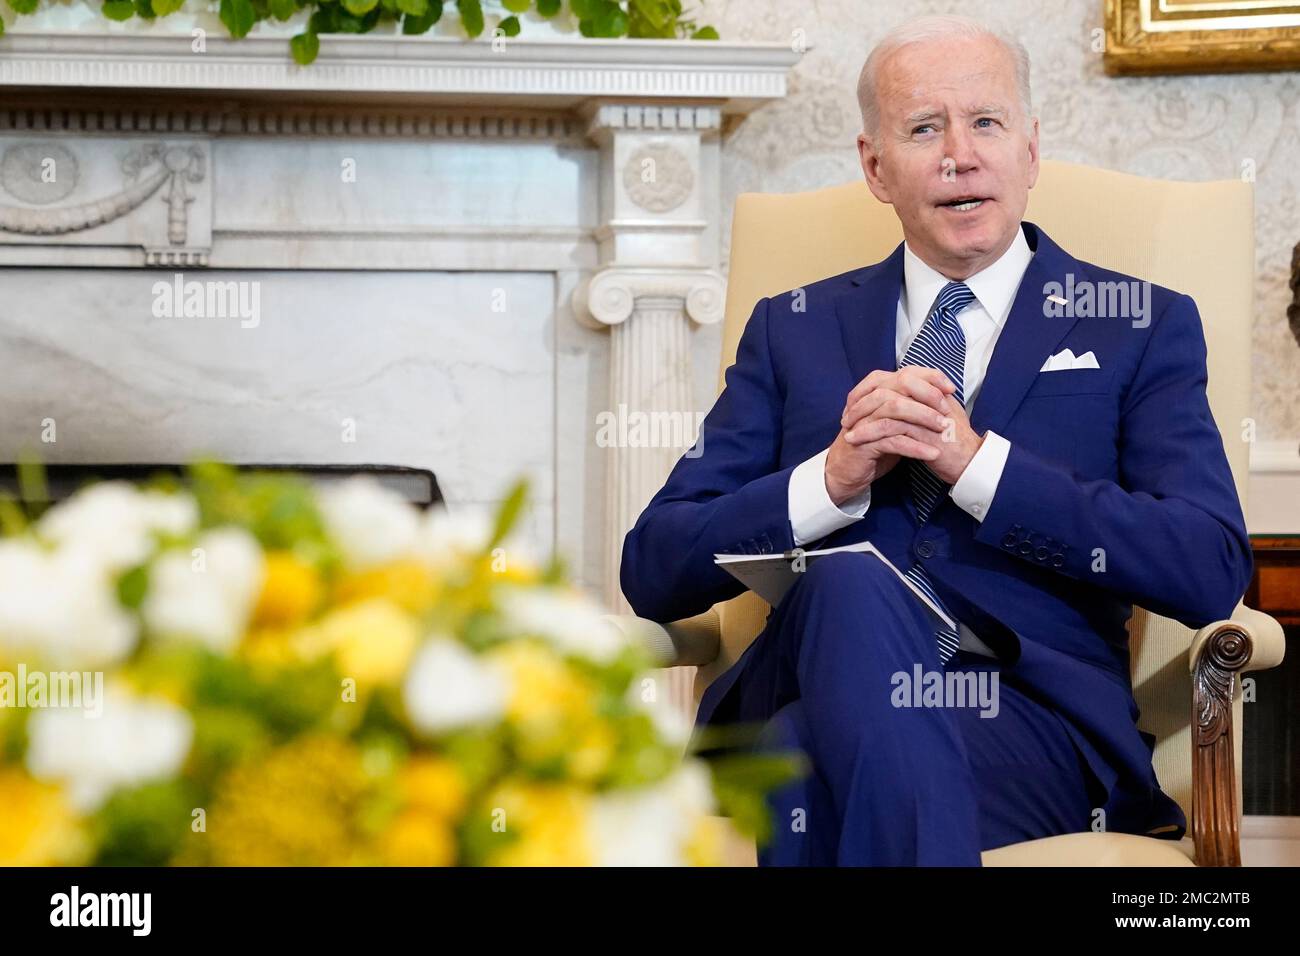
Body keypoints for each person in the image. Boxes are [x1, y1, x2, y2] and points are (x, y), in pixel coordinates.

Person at [619, 14, 1253, 866]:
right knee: (846, 589)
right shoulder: (794, 330)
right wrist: (829, 483)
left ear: (1031, 149)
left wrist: (979, 467)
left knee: (801, 774)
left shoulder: (1141, 324)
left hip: (1028, 721)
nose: (960, 152)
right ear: (875, 166)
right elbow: (653, 566)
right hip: (803, 681)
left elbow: (1209, 566)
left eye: (986, 122)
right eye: (924, 128)